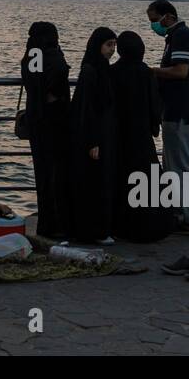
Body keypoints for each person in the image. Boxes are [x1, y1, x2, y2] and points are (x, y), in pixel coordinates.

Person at [109, 31, 176, 242]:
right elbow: (155, 104)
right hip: (142, 134)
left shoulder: (113, 72)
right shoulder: (146, 73)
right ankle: (153, 223)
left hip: (118, 135)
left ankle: (121, 224)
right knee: (147, 179)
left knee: (120, 179)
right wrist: (153, 126)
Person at [148, 0, 189, 234]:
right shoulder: (174, 36)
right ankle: (179, 212)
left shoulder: (180, 36)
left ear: (167, 17)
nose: (153, 26)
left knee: (180, 165)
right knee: (172, 165)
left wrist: (151, 72)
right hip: (174, 110)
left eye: (153, 20)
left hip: (180, 111)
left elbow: (181, 71)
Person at [20, 21, 72, 238]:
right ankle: (57, 223)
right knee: (56, 173)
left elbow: (34, 83)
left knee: (41, 173)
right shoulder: (52, 56)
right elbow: (60, 72)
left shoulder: (31, 57)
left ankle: (45, 223)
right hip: (54, 122)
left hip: (35, 120)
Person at [67, 27, 117, 243]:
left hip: (100, 135)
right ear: (97, 45)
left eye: (114, 45)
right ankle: (92, 231)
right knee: (93, 185)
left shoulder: (100, 68)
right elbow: (88, 108)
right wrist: (93, 141)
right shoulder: (91, 70)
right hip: (92, 137)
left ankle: (95, 230)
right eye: (108, 45)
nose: (112, 50)